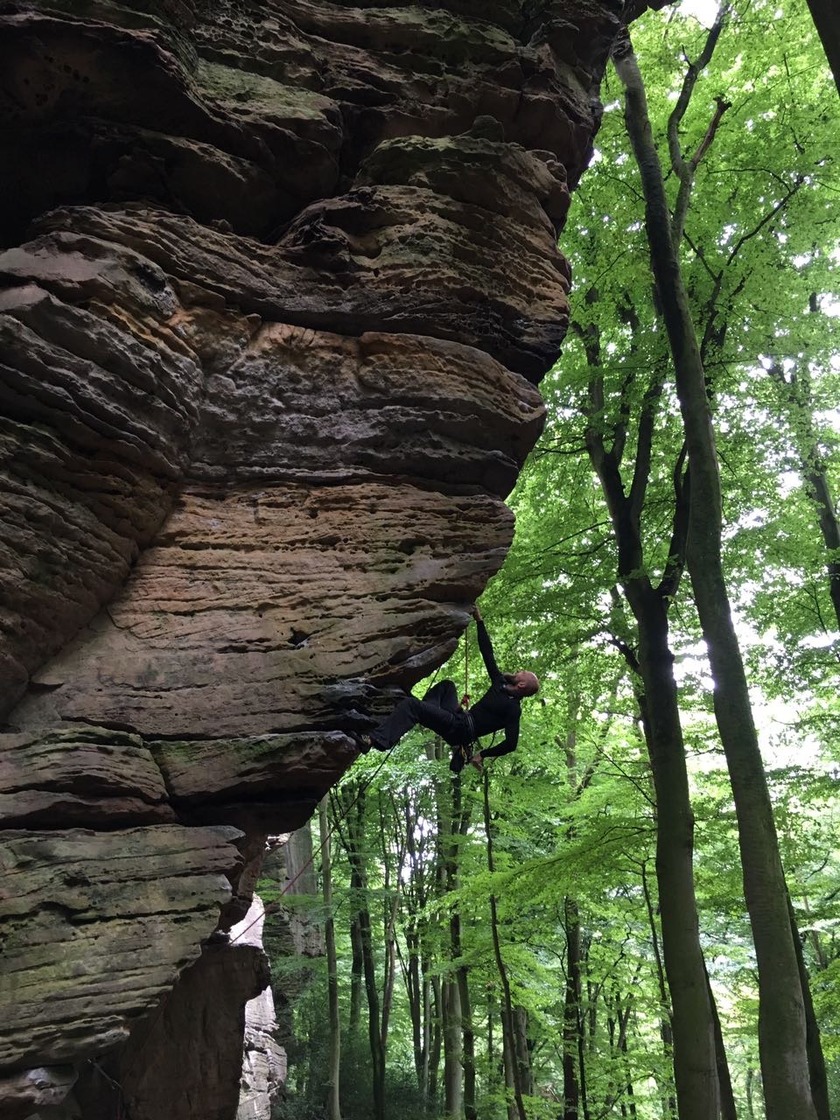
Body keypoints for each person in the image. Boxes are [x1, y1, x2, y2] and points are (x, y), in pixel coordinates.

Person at [354, 606, 539, 772]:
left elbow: (511, 744)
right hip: (459, 718)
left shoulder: (513, 709)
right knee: (447, 686)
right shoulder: (500, 683)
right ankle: (430, 715)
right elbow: (487, 653)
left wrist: (483, 754)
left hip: (460, 729)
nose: (519, 671)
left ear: (521, 685)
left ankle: (373, 740)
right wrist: (479, 620)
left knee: (411, 705)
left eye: (523, 673)